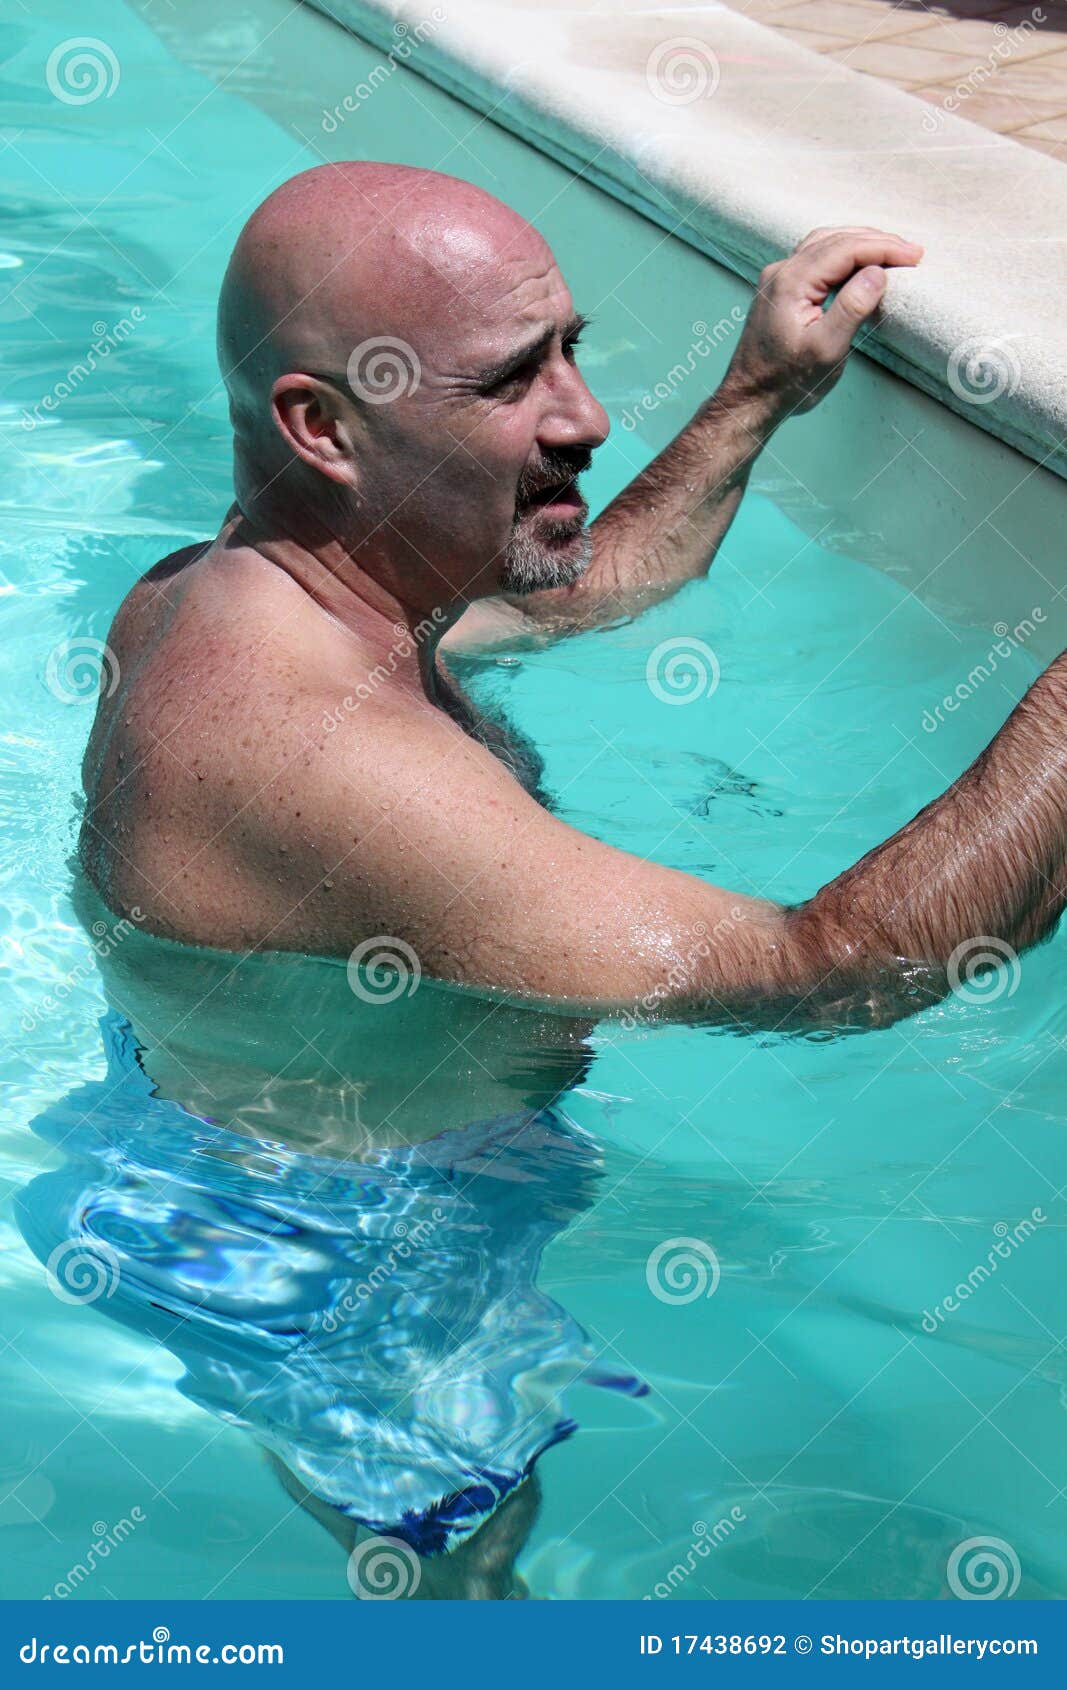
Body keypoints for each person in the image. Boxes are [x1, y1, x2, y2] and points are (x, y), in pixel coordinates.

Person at [76, 162, 1066, 1024]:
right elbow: (832, 974)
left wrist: (757, 391)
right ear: (323, 428)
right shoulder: (339, 768)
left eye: (569, 350)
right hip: (343, 1223)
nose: (587, 418)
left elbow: (576, 592)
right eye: (511, 380)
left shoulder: (230, 587)